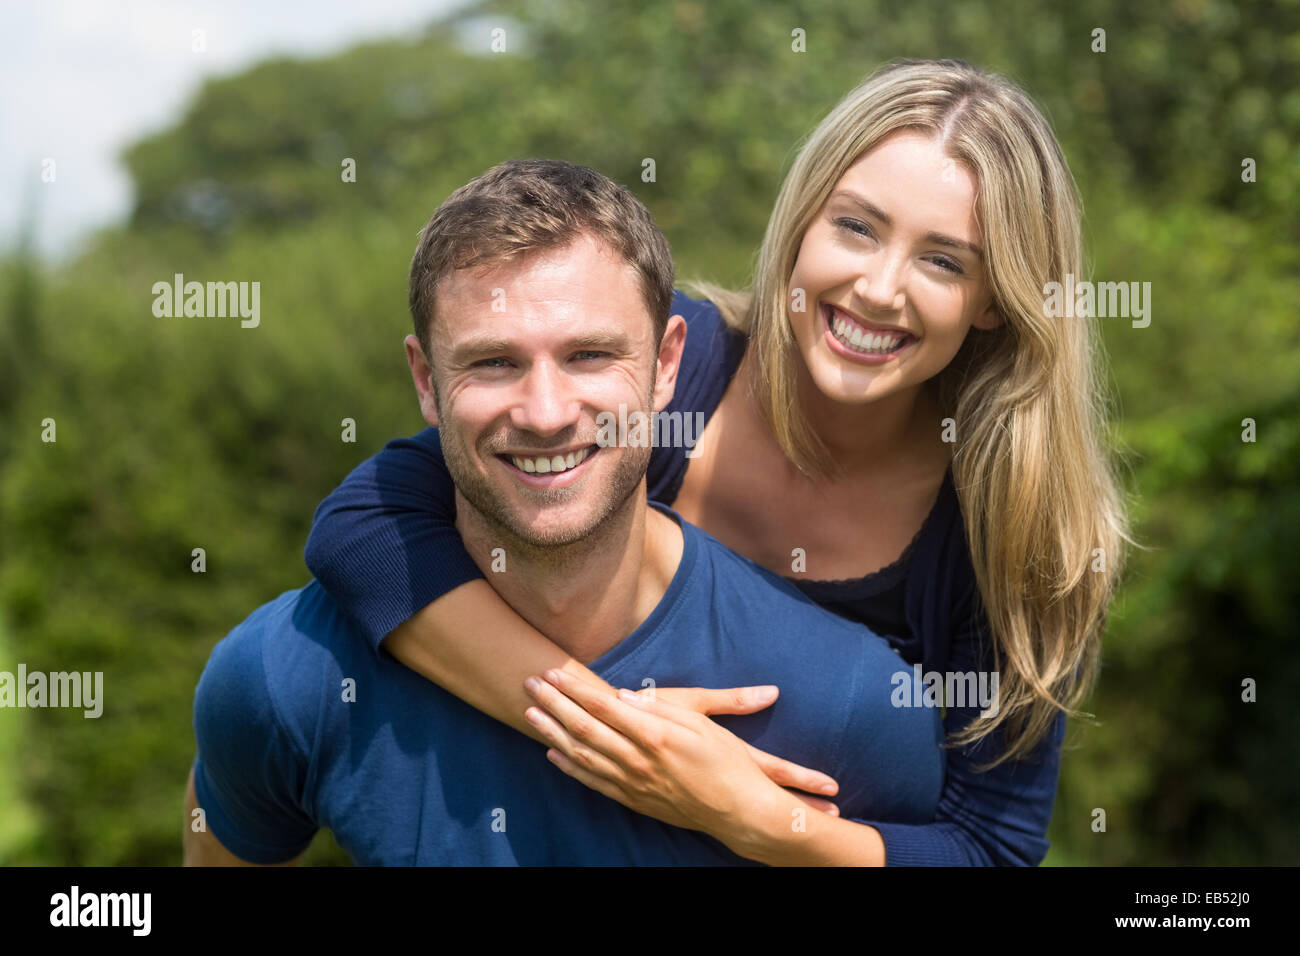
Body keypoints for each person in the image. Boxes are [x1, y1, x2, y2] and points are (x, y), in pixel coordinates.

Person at [305, 59, 1130, 865]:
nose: (880, 287)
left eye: (943, 260)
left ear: (995, 300)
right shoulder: (672, 367)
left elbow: (990, 847)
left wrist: (754, 820)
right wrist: (608, 730)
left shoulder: (1007, 533)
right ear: (803, 221)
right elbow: (363, 526)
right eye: (856, 226)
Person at [184, 158, 945, 866]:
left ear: (667, 366)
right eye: (494, 362)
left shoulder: (850, 708)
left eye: (588, 356)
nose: (545, 412)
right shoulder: (285, 675)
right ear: (424, 380)